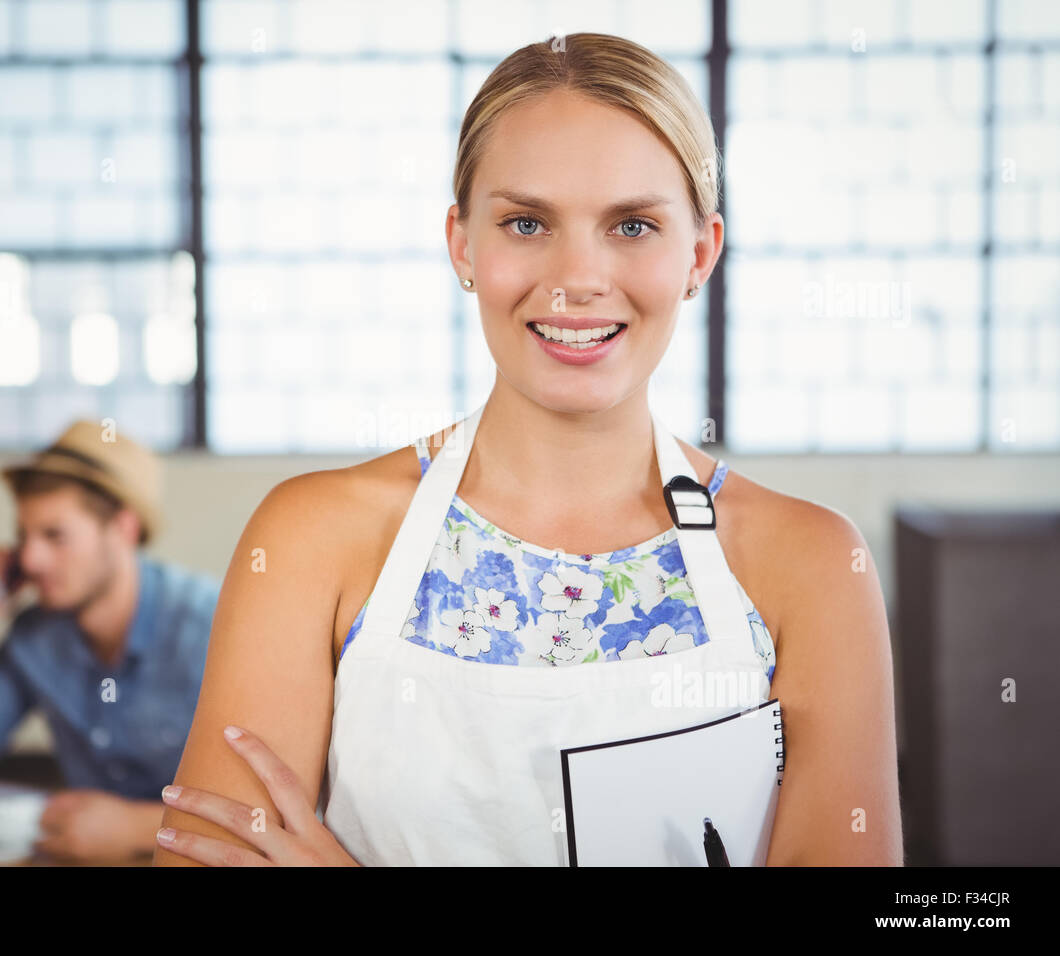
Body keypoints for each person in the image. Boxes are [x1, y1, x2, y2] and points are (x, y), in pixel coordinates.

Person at [152, 32, 902, 866]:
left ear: (699, 253)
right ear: (463, 245)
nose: (576, 276)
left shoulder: (812, 565)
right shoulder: (309, 538)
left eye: (631, 225)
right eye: (526, 222)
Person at [0, 420, 221, 863]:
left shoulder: (211, 626)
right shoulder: (37, 636)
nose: (29, 558)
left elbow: (272, 811)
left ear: (123, 529)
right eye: (24, 535)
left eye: (54, 536)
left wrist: (141, 829)